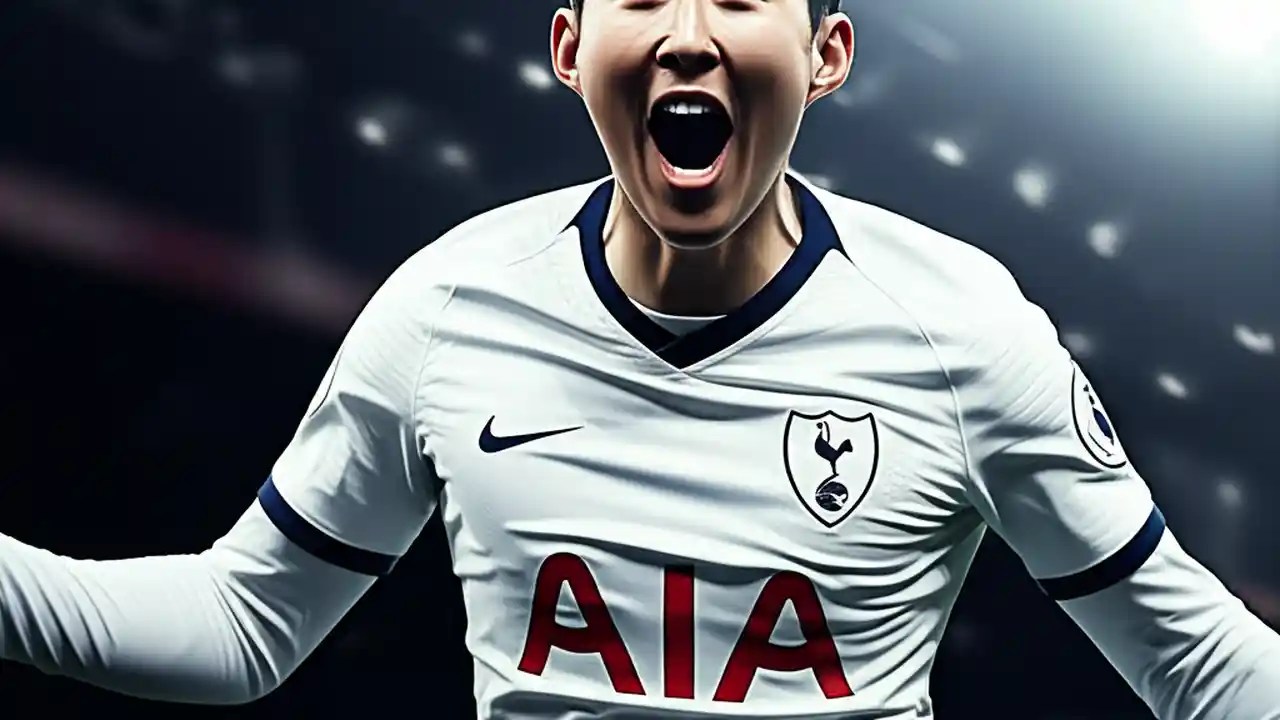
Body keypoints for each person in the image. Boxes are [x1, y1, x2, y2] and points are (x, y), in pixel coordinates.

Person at [2, 1, 1278, 717]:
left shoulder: (960, 330)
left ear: (825, 57)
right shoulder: (449, 304)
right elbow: (241, 625)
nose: (683, 35)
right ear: (569, 49)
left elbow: (1199, 664)